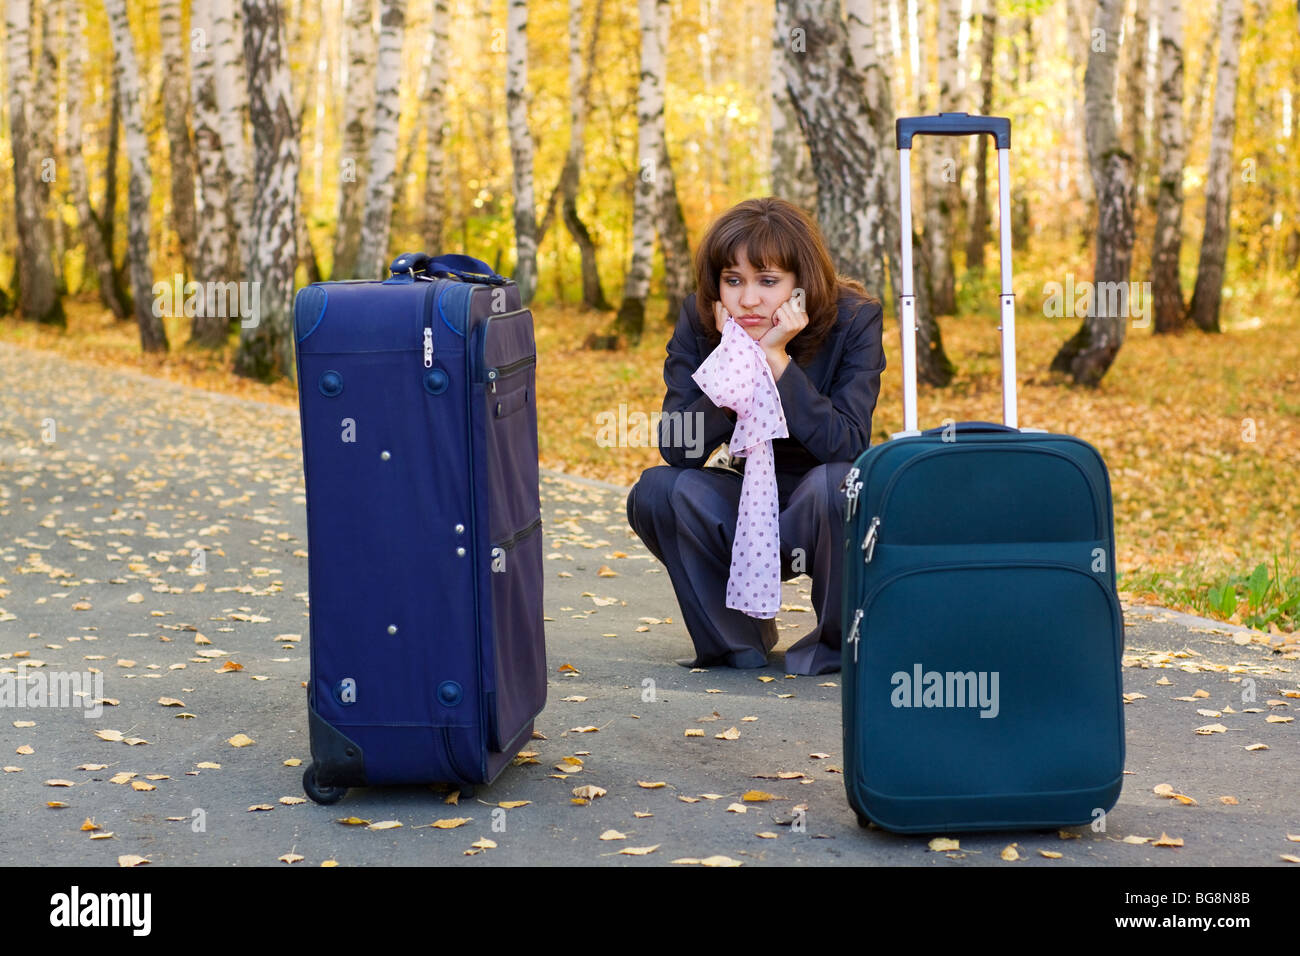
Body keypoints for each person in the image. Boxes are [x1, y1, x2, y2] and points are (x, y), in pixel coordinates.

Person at [625, 196, 886, 675]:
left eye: (768, 281)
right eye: (733, 280)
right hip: (743, 501)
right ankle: (735, 638)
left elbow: (849, 446)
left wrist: (777, 361)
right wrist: (737, 367)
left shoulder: (854, 319)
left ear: (801, 284)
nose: (747, 299)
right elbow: (679, 447)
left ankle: (832, 647)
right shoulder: (702, 319)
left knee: (839, 483)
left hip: (819, 505)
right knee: (658, 491)